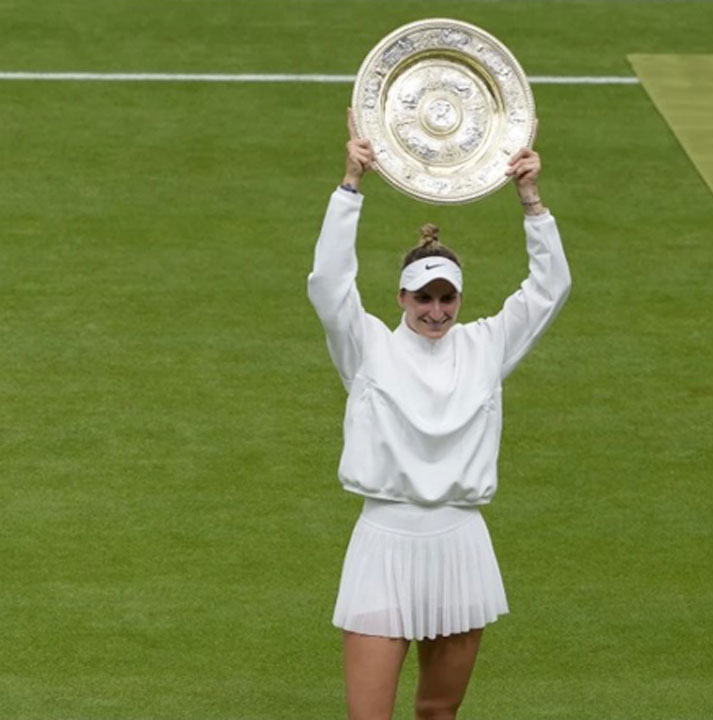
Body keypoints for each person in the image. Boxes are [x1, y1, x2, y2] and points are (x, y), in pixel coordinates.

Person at [307, 110, 571, 720]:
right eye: (423, 297)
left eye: (446, 296)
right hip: (384, 542)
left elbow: (550, 288)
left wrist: (531, 200)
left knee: (437, 713)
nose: (435, 309)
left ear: (459, 297)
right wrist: (350, 187)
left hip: (459, 543)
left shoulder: (486, 345)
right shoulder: (366, 345)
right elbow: (327, 282)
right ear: (401, 297)